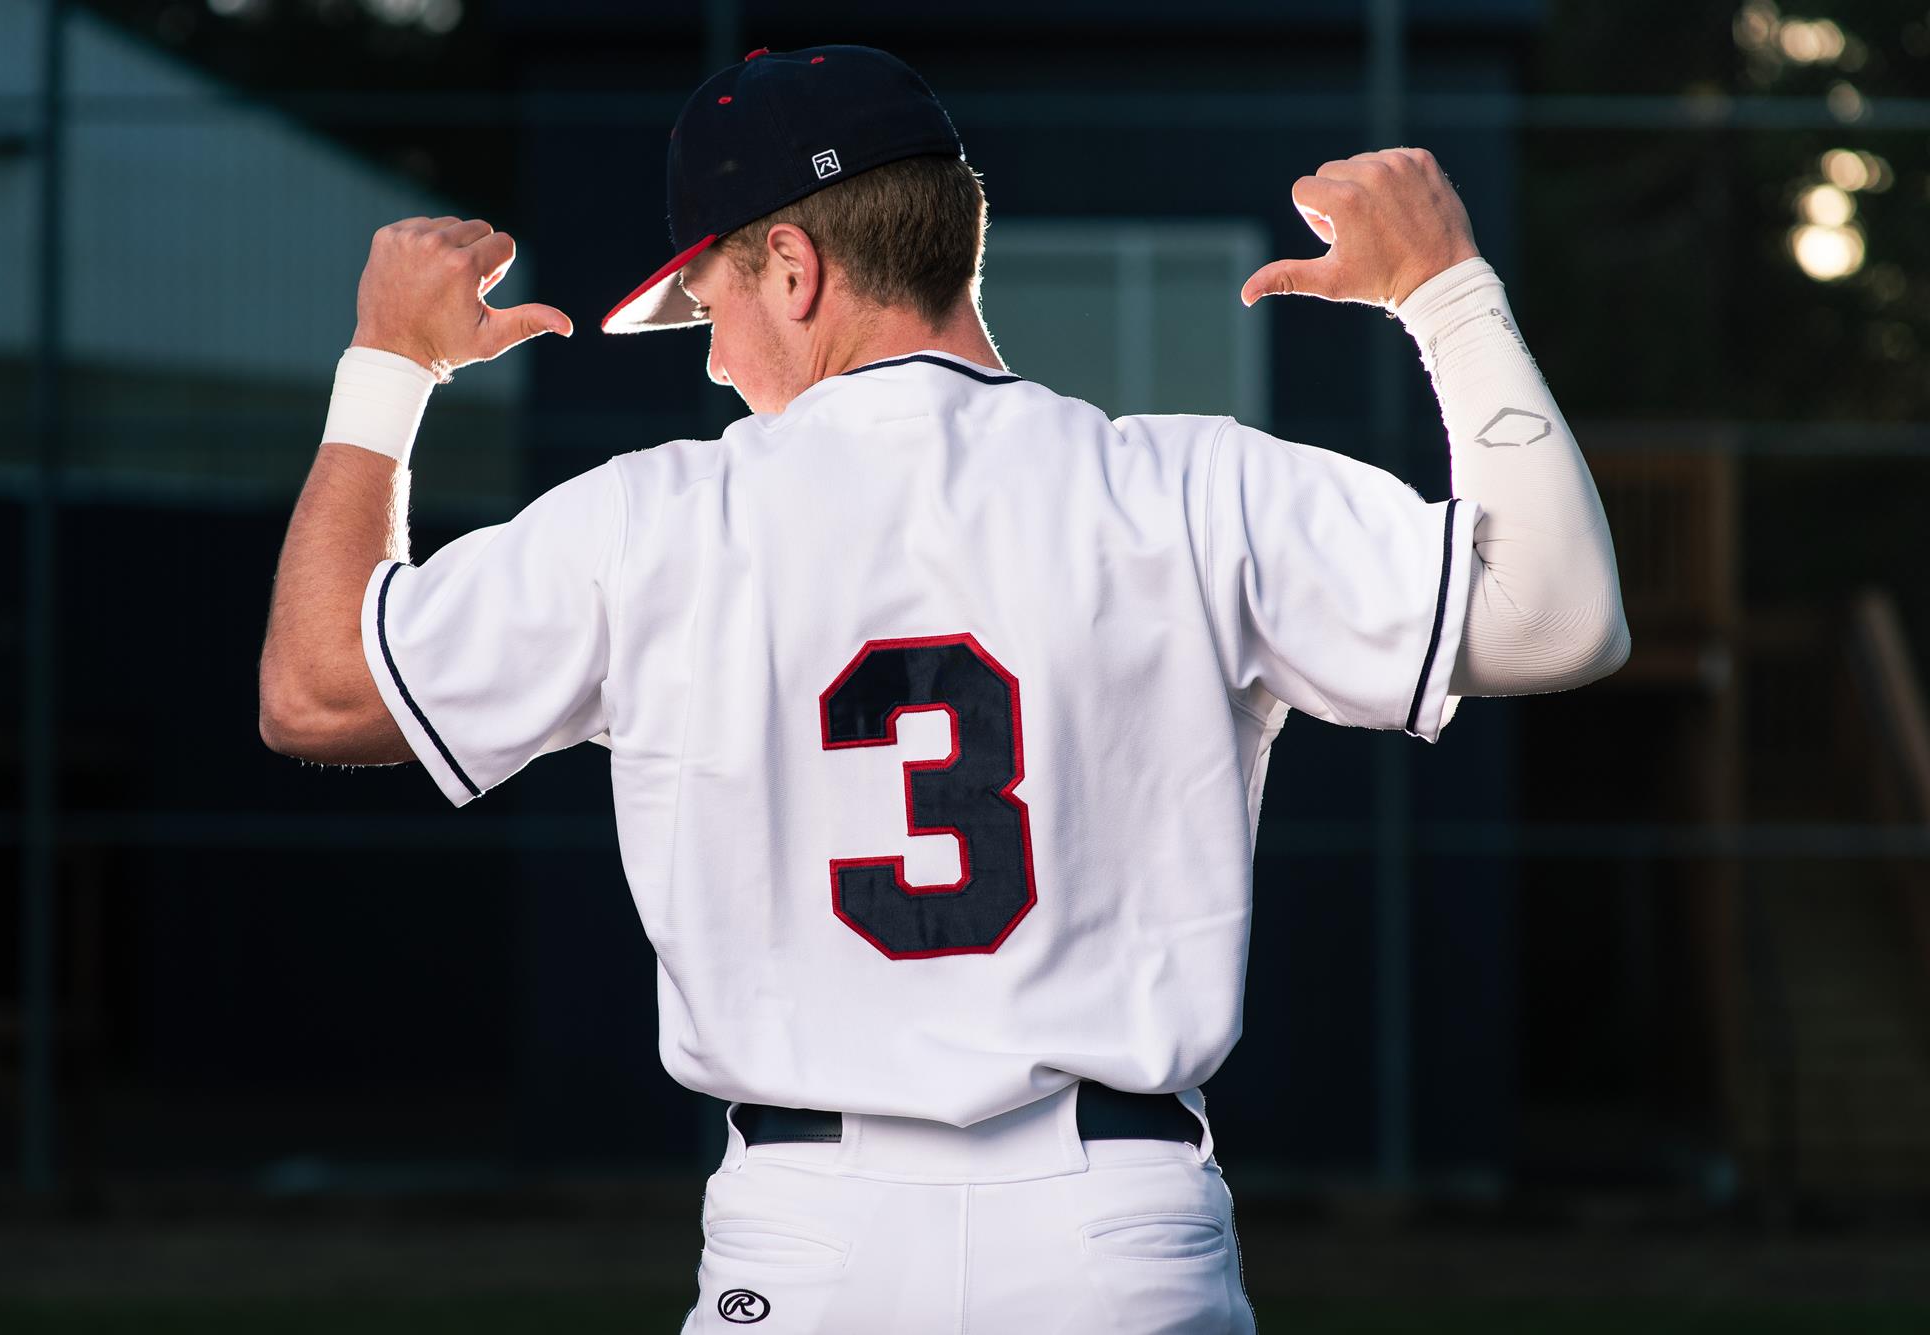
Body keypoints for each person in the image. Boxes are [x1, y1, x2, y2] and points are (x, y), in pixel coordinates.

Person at [258, 43, 1627, 1335]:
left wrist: (390, 366)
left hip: (809, 1233)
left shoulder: (649, 521)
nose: (714, 351)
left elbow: (314, 697)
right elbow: (1561, 625)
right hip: (1115, 1224)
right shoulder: (1193, 486)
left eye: (709, 300)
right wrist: (1447, 288)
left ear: (790, 267)